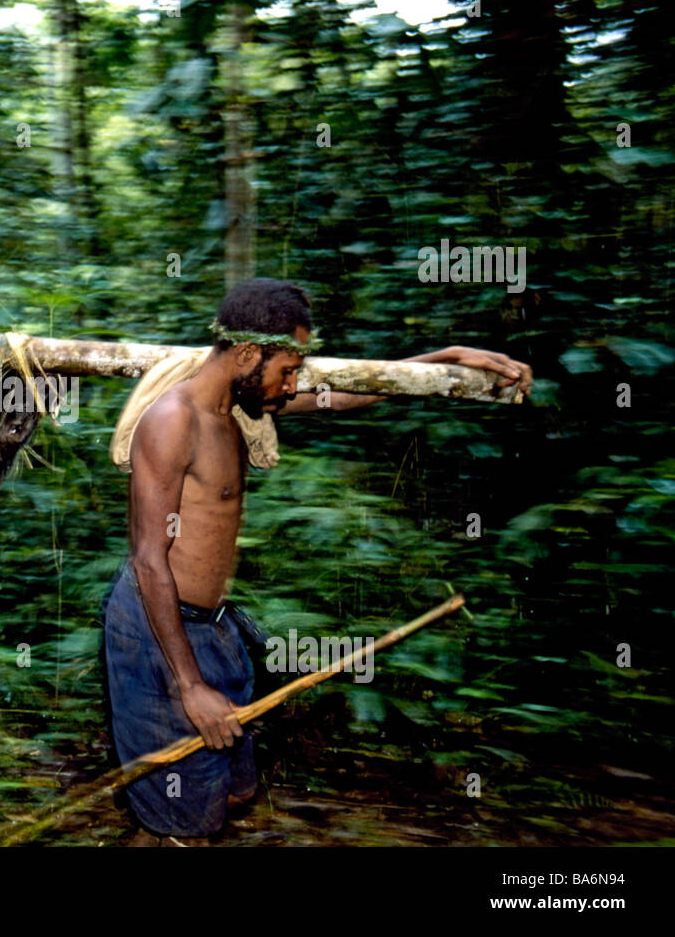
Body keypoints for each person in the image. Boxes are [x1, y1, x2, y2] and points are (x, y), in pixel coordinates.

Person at [103, 278, 533, 845]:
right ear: (248, 354)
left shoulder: (236, 407)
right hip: (157, 632)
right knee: (187, 820)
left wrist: (444, 359)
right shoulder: (174, 420)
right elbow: (149, 562)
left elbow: (350, 395)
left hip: (209, 626)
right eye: (288, 369)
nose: (293, 385)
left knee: (236, 791)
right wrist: (189, 686)